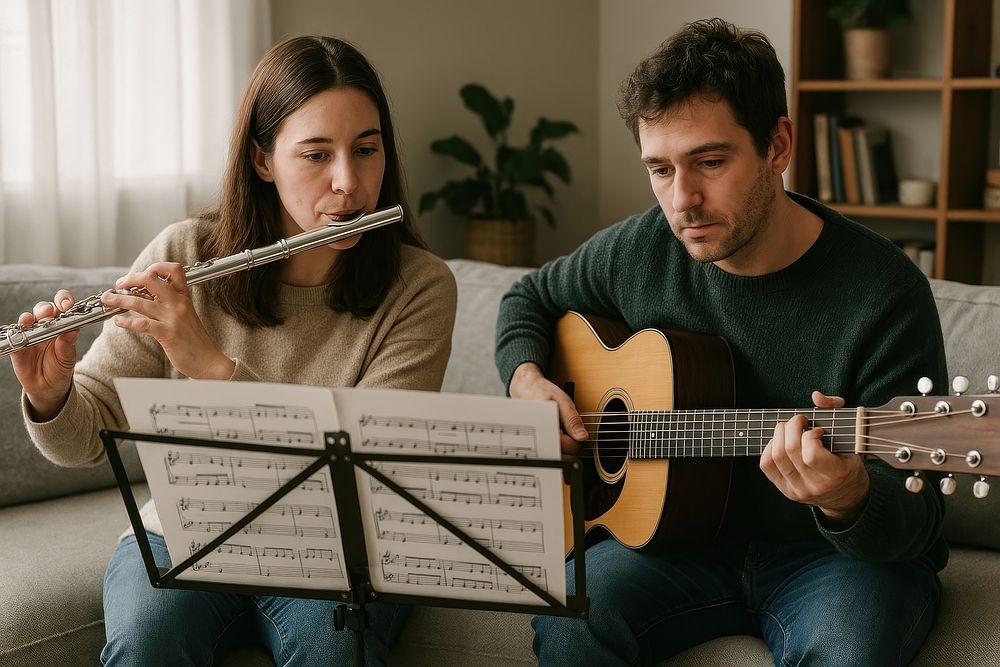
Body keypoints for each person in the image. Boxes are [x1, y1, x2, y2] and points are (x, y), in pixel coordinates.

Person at [495, 18, 947, 667]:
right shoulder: (640, 249)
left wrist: (848, 496)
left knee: (851, 651)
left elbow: (920, 515)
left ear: (778, 144)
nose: (683, 199)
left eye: (710, 161)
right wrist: (527, 379)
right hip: (673, 548)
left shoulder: (882, 291)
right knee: (570, 619)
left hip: (833, 561)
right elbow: (528, 297)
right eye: (660, 168)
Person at [11, 35, 457, 666]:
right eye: (316, 154)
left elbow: (367, 462)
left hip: (340, 546)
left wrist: (211, 367)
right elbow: (86, 440)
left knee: (334, 653)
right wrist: (53, 393)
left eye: (367, 149)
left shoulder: (420, 288)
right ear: (263, 159)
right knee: (146, 643)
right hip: (189, 531)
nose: (349, 183)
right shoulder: (186, 254)